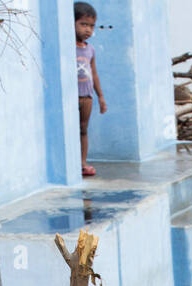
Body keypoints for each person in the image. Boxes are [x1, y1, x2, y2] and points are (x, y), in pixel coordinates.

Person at [75, 3, 107, 177]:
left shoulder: (90, 49)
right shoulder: (68, 47)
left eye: (91, 26)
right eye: (83, 24)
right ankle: (74, 162)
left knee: (83, 129)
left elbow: (94, 74)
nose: (88, 30)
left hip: (87, 96)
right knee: (73, 129)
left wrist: (100, 97)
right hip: (73, 97)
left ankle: (82, 162)